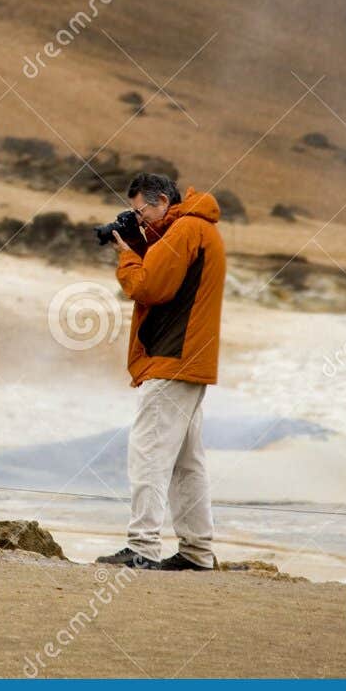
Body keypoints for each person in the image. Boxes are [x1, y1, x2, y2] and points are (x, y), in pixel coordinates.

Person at [97, 172, 226, 571]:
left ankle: (143, 546)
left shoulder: (186, 228)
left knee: (149, 455)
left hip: (172, 359)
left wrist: (128, 254)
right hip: (189, 362)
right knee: (187, 462)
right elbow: (170, 276)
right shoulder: (195, 229)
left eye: (143, 211)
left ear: (164, 201)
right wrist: (145, 242)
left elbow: (149, 288)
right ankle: (196, 552)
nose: (140, 219)